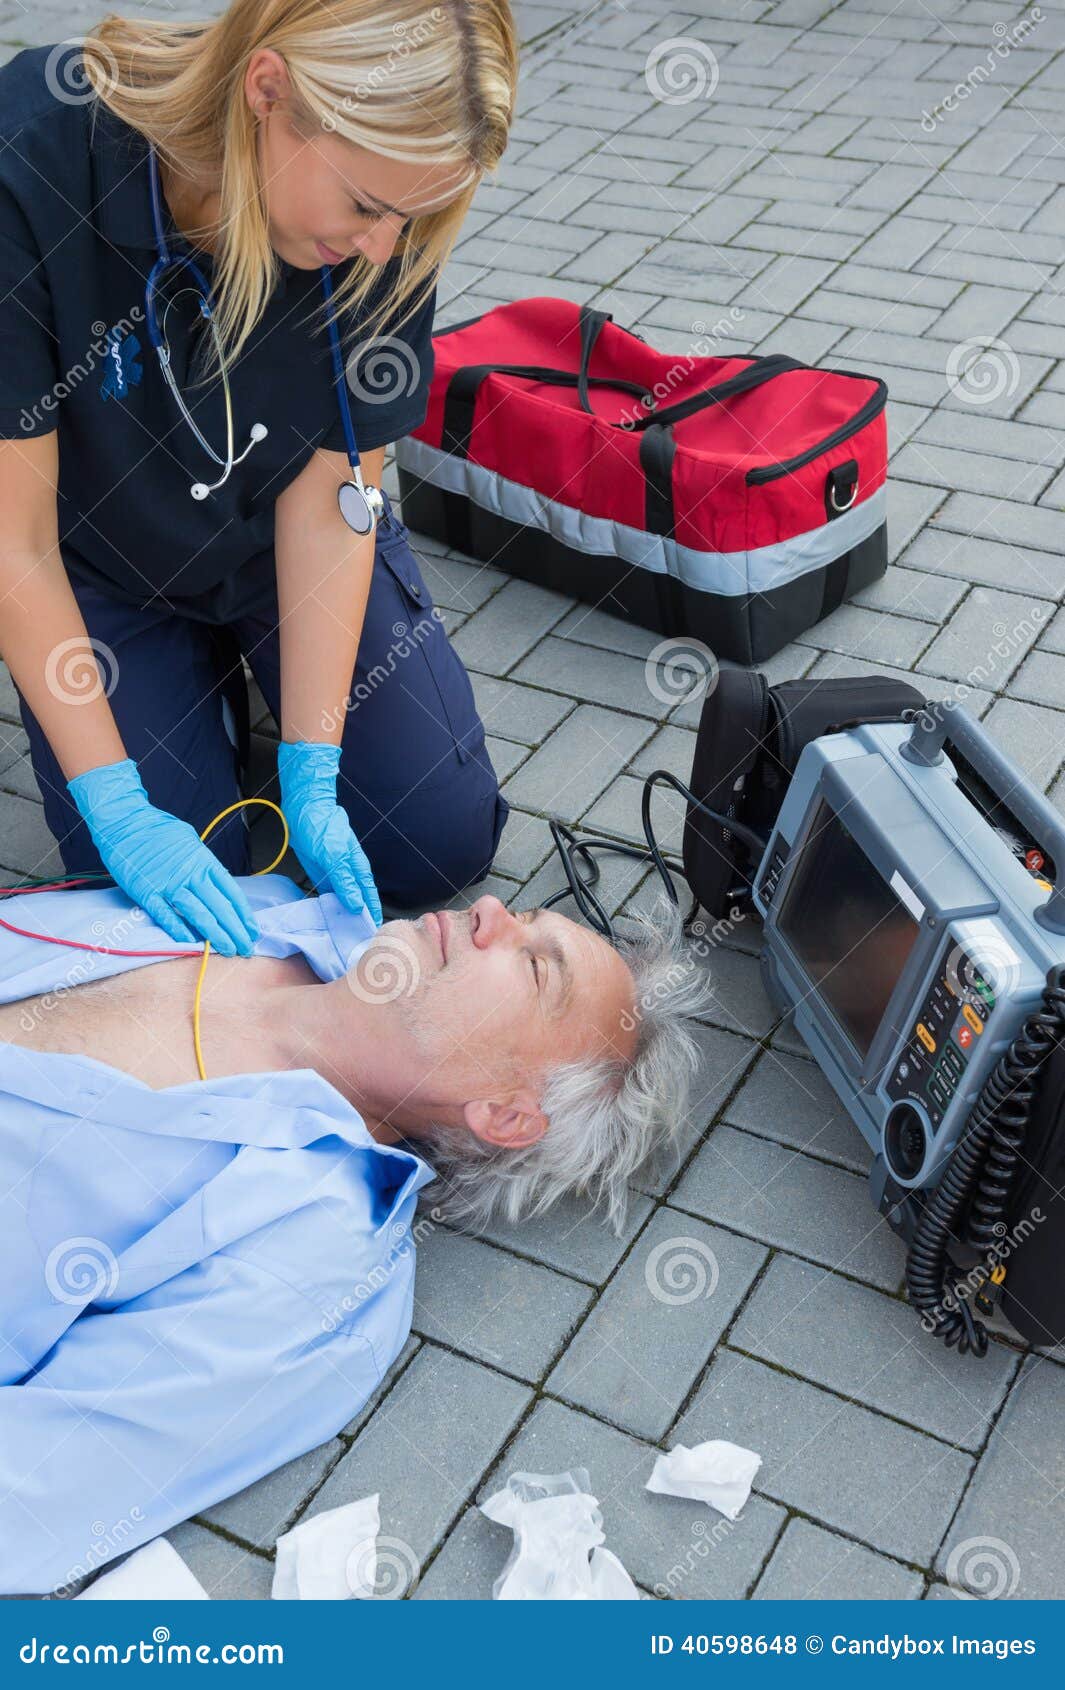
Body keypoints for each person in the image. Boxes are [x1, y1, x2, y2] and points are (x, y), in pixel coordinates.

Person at [0, 878, 710, 1596]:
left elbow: (38, 1488)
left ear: (505, 1114)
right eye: (521, 914)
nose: (491, 911)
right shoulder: (273, 907)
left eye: (533, 966)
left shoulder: (312, 1255)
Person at [0, 1, 516, 954]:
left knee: (432, 841)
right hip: (102, 570)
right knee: (186, 894)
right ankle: (185, 692)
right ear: (267, 89)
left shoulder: (390, 217)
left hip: (283, 534)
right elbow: (12, 539)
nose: (384, 250)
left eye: (415, 216)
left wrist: (314, 769)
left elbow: (333, 496)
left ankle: (264, 711)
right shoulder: (34, 154)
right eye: (365, 207)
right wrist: (117, 805)